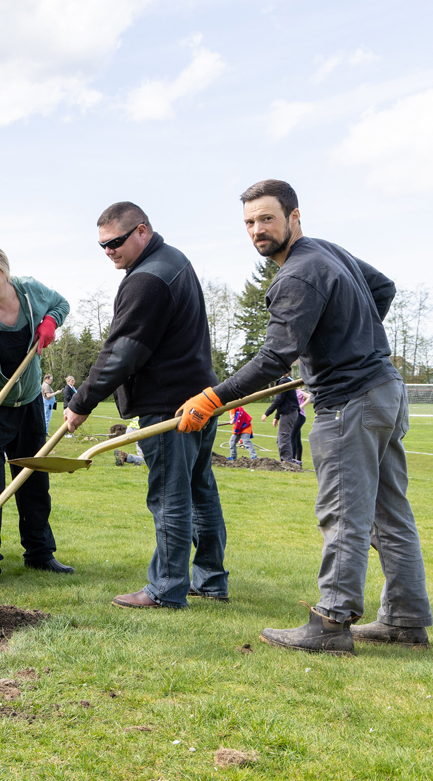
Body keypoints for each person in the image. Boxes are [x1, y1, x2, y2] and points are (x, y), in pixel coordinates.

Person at [178, 179, 431, 653]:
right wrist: (342, 337)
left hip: (349, 402)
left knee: (343, 512)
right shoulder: (328, 252)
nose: (257, 229)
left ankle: (332, 623)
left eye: (267, 218)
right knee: (389, 512)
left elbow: (274, 358)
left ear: (295, 217)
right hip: (383, 391)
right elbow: (383, 288)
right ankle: (406, 617)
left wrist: (212, 397)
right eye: (250, 222)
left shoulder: (296, 275)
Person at [65, 202, 228, 609]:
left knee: (170, 495)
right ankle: (210, 580)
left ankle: (167, 588)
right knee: (200, 490)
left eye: (116, 242)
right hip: (199, 400)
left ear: (142, 231)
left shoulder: (148, 280)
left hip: (170, 407)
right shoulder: (175, 261)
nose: (109, 252)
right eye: (102, 246)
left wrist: (81, 402)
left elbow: (122, 351)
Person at [0, 243, 72, 588]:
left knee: (34, 482)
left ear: (4, 270)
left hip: (30, 405)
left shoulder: (30, 290)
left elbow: (61, 304)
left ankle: (39, 553)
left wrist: (51, 321)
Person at [262, 374, 299, 463]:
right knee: (280, 439)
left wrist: (267, 413)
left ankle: (287, 462)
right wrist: (277, 417)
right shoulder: (286, 381)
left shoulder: (284, 382)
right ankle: (285, 460)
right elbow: (284, 401)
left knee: (283, 437)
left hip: (289, 413)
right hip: (288, 412)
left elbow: (279, 400)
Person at [292, 387, 309, 466]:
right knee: (297, 438)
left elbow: (310, 397)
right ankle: (299, 461)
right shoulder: (290, 393)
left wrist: (301, 406)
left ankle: (292, 459)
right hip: (294, 416)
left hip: (300, 416)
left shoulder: (299, 392)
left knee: (292, 436)